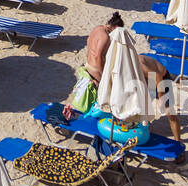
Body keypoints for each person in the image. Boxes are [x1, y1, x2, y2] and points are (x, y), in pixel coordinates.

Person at [64, 13, 181, 141]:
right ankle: (144, 126)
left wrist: (161, 99)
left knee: (169, 112)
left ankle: (178, 141)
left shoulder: (138, 64)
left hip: (162, 78)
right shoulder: (121, 64)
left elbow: (158, 76)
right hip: (145, 80)